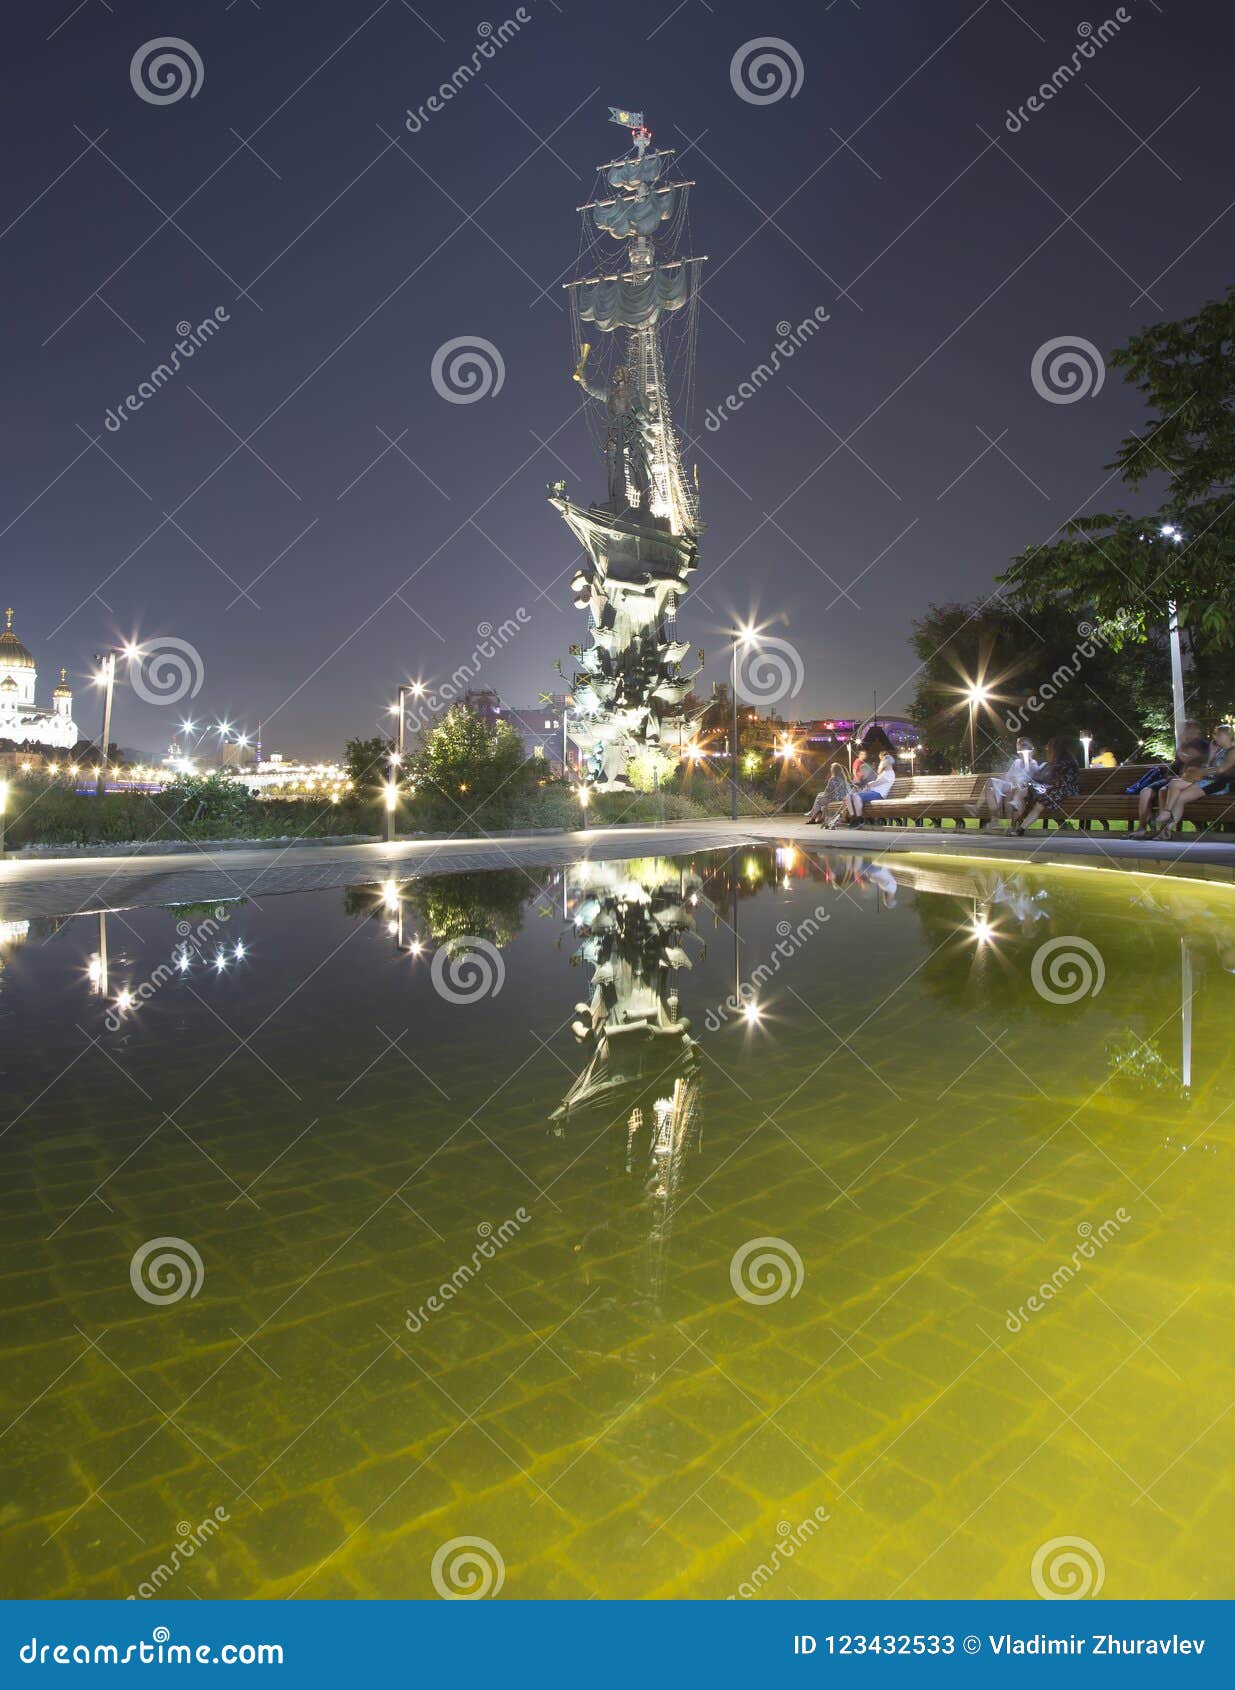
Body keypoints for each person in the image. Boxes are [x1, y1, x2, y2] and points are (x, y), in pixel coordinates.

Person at [1146, 723, 1235, 839]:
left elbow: (1222, 769)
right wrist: (1211, 755)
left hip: (1219, 784)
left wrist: (1202, 772)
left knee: (1175, 785)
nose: (1215, 738)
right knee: (1179, 797)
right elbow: (1208, 766)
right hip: (1208, 781)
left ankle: (1166, 814)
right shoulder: (1220, 751)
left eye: (1218, 735)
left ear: (1227, 735)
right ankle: (1167, 830)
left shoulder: (1232, 751)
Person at [1128, 720, 1208, 831]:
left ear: (1197, 731)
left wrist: (1181, 750)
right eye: (1187, 729)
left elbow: (1192, 760)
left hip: (1186, 780)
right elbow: (1175, 765)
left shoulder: (1202, 745)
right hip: (1171, 778)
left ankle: (1163, 830)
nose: (1187, 731)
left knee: (1163, 791)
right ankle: (1141, 829)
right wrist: (1170, 774)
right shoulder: (1184, 745)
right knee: (1145, 792)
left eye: (1190, 728)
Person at [1009, 737, 1081, 834]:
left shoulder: (1064, 760)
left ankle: (1020, 829)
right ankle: (1017, 820)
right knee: (1026, 792)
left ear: (1055, 748)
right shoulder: (1060, 758)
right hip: (1056, 787)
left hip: (1064, 789)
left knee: (1039, 803)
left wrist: (1036, 784)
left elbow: (1055, 778)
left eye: (1049, 747)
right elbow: (1048, 778)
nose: (1047, 749)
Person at [981, 738, 1043, 825]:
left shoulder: (1033, 764)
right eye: (1020, 748)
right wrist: (1006, 779)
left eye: (1025, 748)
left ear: (1031, 750)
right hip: (1012, 787)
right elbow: (1008, 777)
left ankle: (1011, 824)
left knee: (1010, 794)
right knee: (993, 790)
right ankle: (996, 819)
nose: (1023, 751)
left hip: (1023, 791)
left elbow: (1032, 780)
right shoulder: (1016, 762)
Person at [832, 750, 897, 827]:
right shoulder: (884, 773)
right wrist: (869, 786)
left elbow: (878, 782)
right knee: (848, 797)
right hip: (872, 792)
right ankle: (853, 817)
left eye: (883, 761)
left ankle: (859, 819)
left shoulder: (890, 773)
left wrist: (870, 784)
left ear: (888, 762)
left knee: (856, 796)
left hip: (878, 795)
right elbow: (876, 781)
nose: (882, 762)